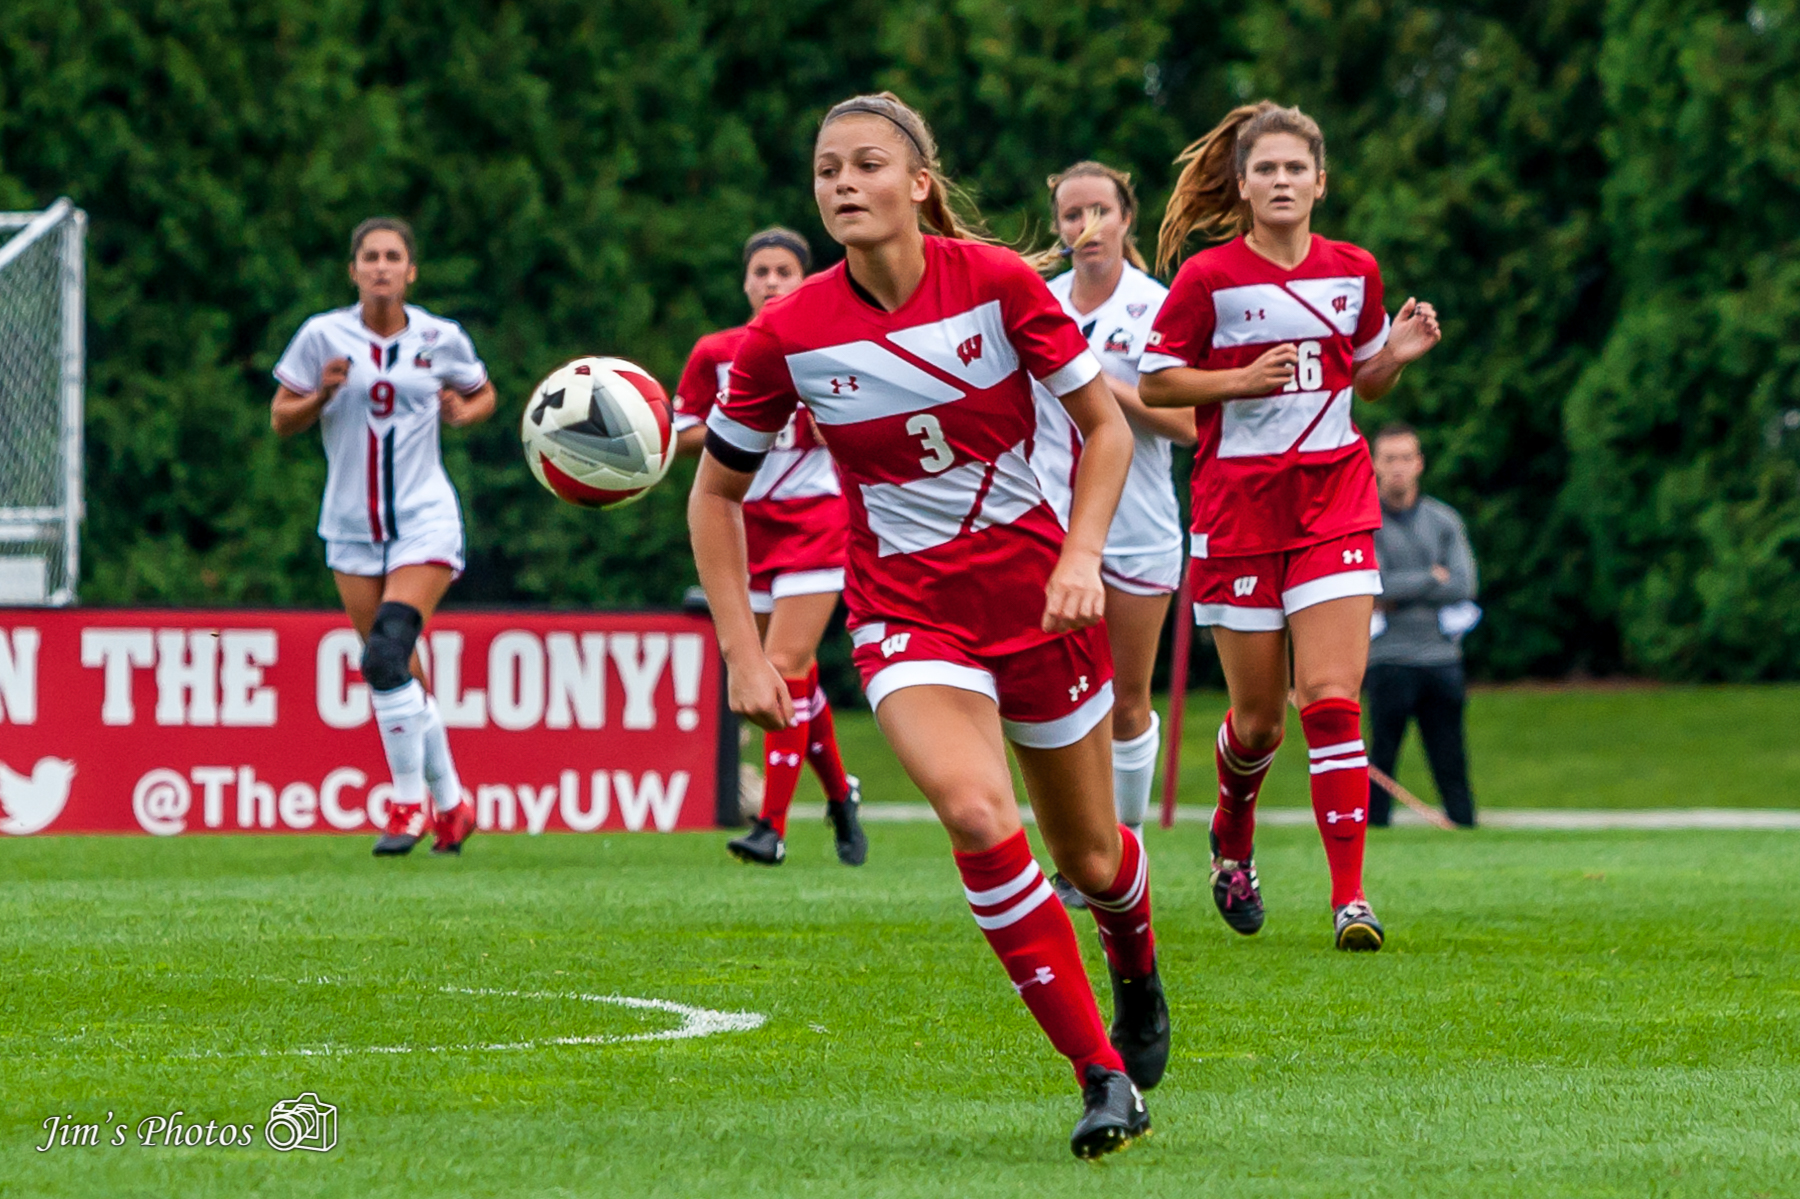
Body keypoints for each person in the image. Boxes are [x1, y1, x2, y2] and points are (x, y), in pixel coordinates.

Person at [689, 92, 1163, 1157]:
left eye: (864, 164)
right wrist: (743, 649)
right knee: (973, 811)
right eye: (825, 170)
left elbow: (1106, 430)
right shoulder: (787, 333)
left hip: (1042, 599)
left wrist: (1083, 555)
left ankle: (1134, 954)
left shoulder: (995, 285)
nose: (843, 183)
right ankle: (1102, 1074)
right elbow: (713, 496)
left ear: (918, 183)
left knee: (1091, 856)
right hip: (908, 614)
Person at [1138, 101, 1442, 951]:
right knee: (1260, 721)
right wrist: (1235, 383)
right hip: (1237, 510)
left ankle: (1351, 898)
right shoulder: (1207, 278)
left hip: (1335, 500)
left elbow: (1361, 381)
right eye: (1264, 169)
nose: (1280, 181)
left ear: (1320, 181)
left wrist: (1395, 357)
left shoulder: (1355, 270)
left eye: (1294, 168)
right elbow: (1158, 384)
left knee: (1334, 700)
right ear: (1241, 184)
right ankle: (1232, 829)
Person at [271, 217, 494, 856]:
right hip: (350, 525)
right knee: (395, 668)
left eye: (393, 256)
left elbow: (483, 395)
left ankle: (406, 803)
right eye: (370, 257)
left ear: (410, 271)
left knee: (387, 651)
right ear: (353, 270)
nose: (381, 267)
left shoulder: (439, 336)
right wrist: (320, 395)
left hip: (424, 517)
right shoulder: (322, 336)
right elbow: (281, 418)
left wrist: (463, 411)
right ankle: (452, 803)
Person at [1028, 162, 1195, 909]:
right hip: (1049, 530)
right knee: (1066, 699)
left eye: (1100, 211)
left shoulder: (1156, 307)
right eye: (1071, 215)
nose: (1085, 228)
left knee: (1126, 700)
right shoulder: (1038, 304)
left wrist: (1100, 380)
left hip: (1137, 529)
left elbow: (1188, 425)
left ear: (1128, 219)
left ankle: (1120, 860)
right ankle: (1077, 855)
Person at [673, 228, 866, 868]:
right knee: (788, 683)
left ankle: (772, 828)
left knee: (781, 664)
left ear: (805, 280)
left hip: (817, 524)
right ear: (746, 281)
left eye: (785, 271)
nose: (772, 282)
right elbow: (684, 433)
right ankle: (841, 795)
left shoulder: (831, 342)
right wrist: (739, 426)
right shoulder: (717, 352)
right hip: (746, 529)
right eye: (761, 271)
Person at [1367, 422, 1479, 827]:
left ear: (1419, 464)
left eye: (1405, 458)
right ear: (1375, 465)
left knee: (1451, 754)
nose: (1398, 467)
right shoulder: (1365, 520)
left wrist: (1398, 594)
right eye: (1389, 459)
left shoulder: (1444, 520)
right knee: (1381, 756)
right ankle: (1372, 833)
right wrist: (1432, 577)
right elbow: (1372, 585)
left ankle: (1465, 828)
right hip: (1387, 658)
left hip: (1441, 658)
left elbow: (1465, 584)